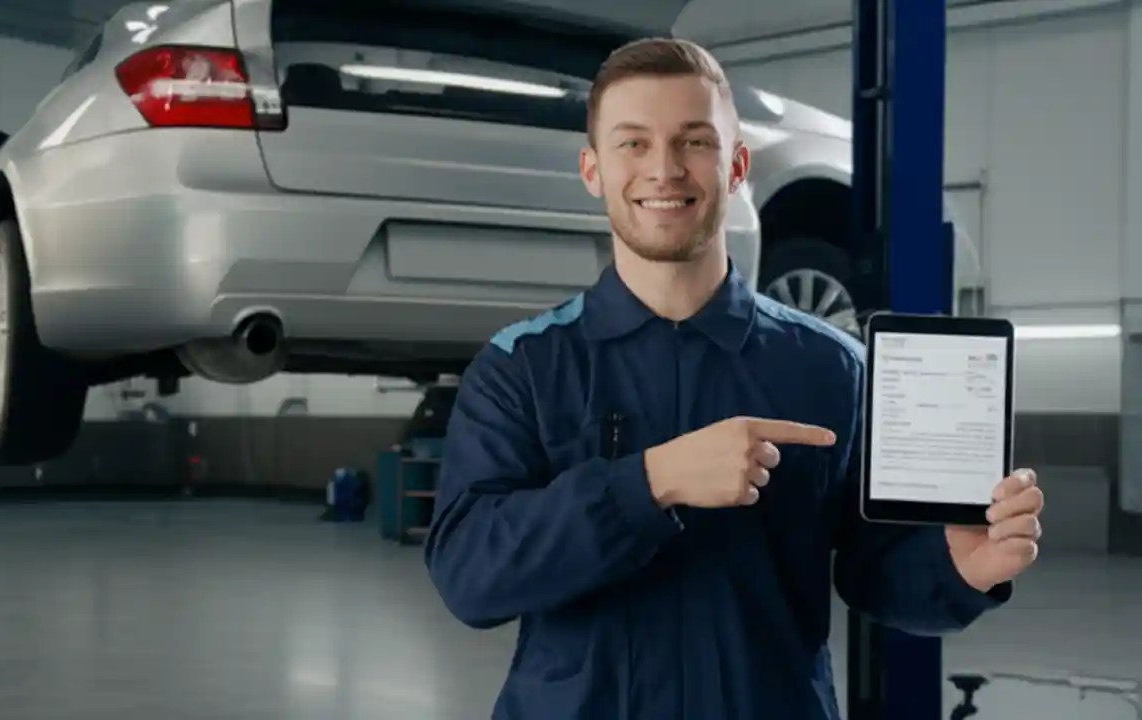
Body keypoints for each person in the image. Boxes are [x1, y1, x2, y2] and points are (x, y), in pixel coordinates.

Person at [422, 37, 1045, 720]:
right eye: (633, 144)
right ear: (593, 169)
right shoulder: (523, 367)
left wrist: (959, 567)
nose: (664, 170)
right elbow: (470, 576)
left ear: (738, 165)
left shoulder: (830, 367)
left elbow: (878, 571)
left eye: (694, 142)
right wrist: (648, 483)